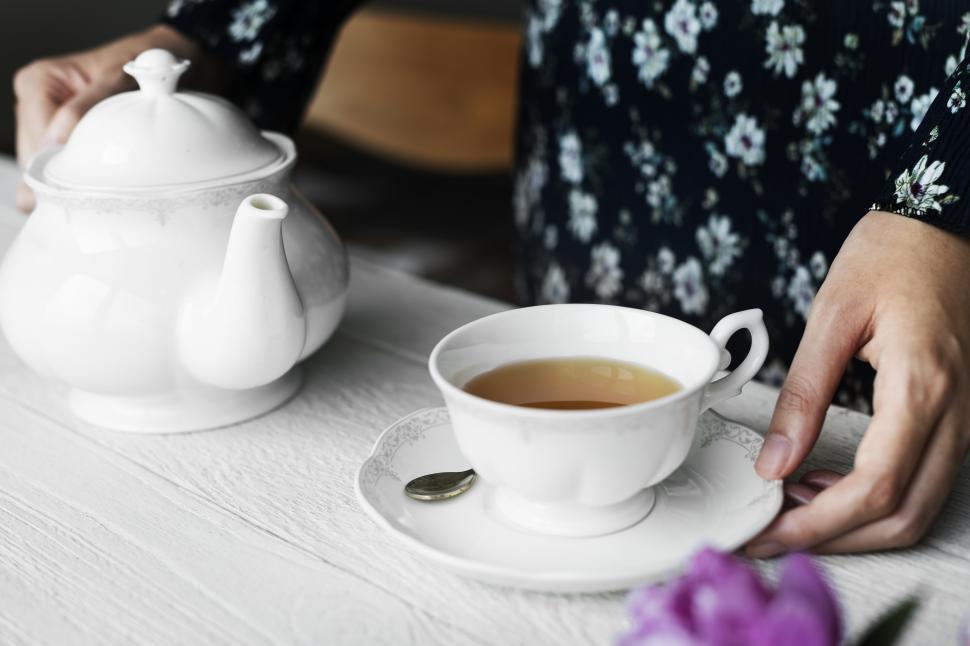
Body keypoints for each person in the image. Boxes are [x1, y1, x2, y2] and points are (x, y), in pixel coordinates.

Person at [12, 1, 970, 557]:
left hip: (912, 157)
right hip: (613, 144)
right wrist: (215, 36)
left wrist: (948, 200)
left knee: (890, 450)